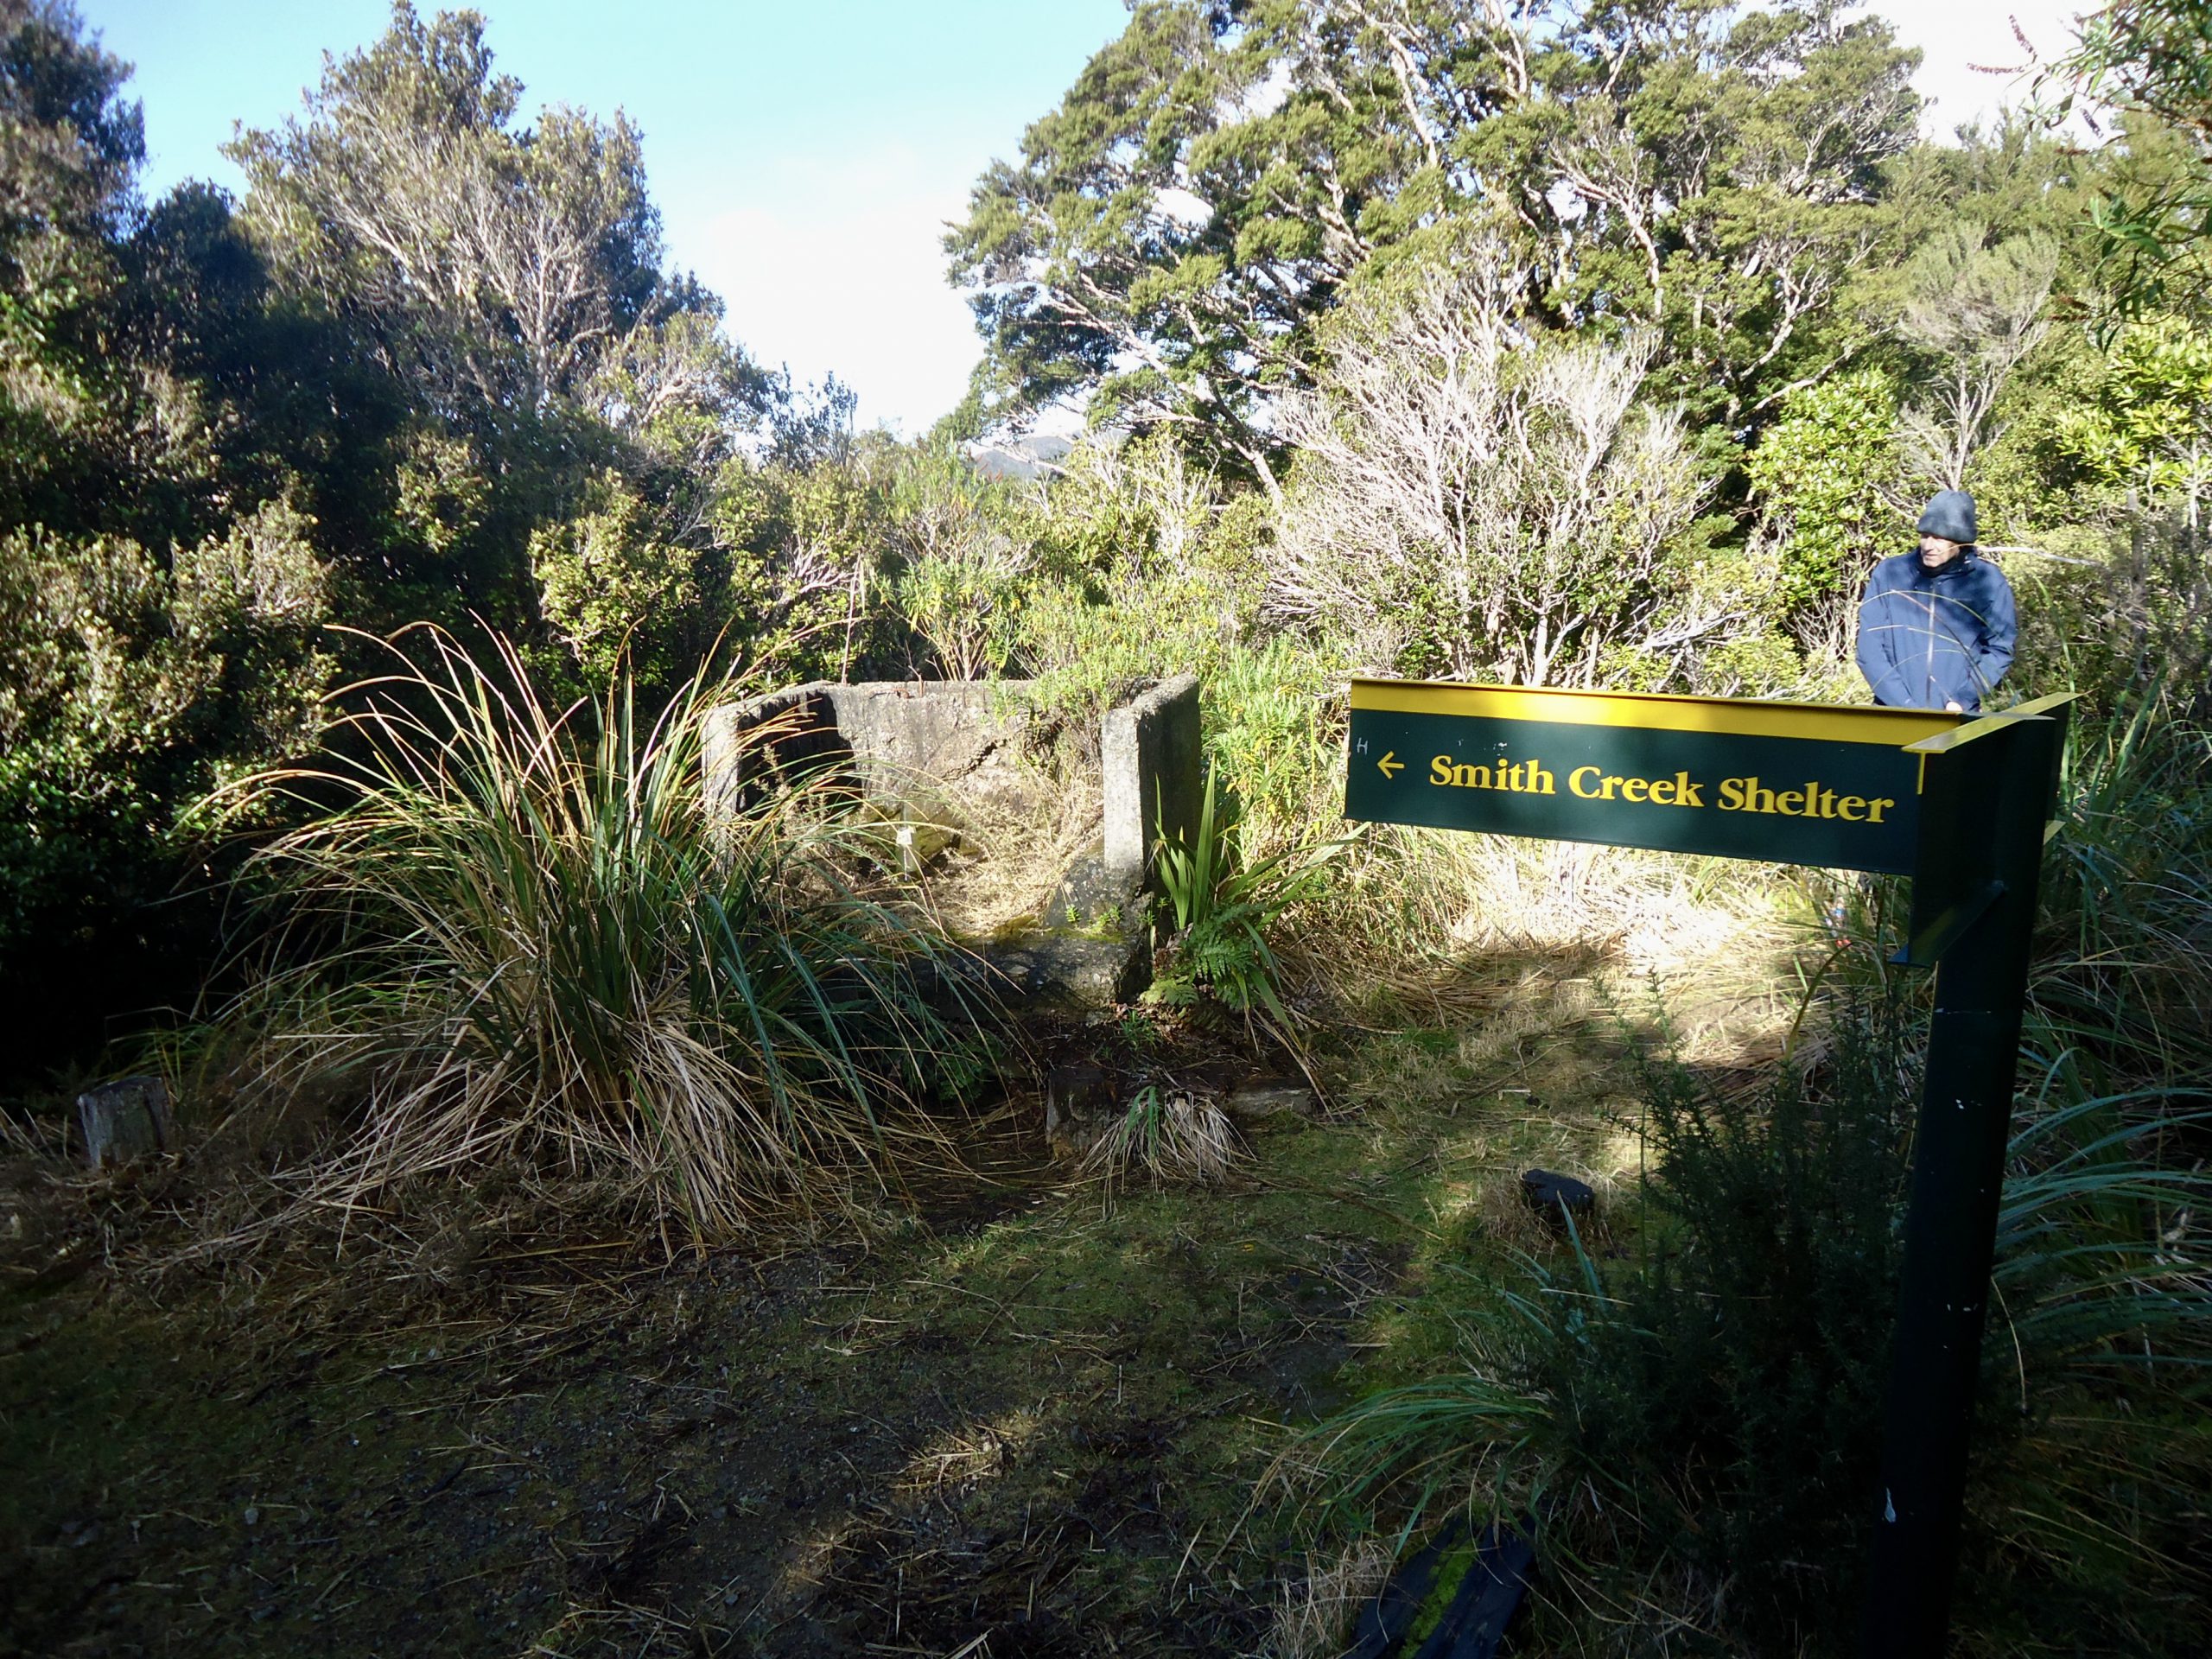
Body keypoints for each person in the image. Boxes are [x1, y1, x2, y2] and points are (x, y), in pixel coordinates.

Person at [1854, 489, 2018, 713]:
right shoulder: (1889, 573)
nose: (1929, 545)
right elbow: (1869, 649)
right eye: (1924, 535)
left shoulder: (1988, 580)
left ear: (1961, 541)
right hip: (1892, 713)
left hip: (1956, 715)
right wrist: (1905, 707)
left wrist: (1963, 699)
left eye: (1939, 538)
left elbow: (2000, 649)